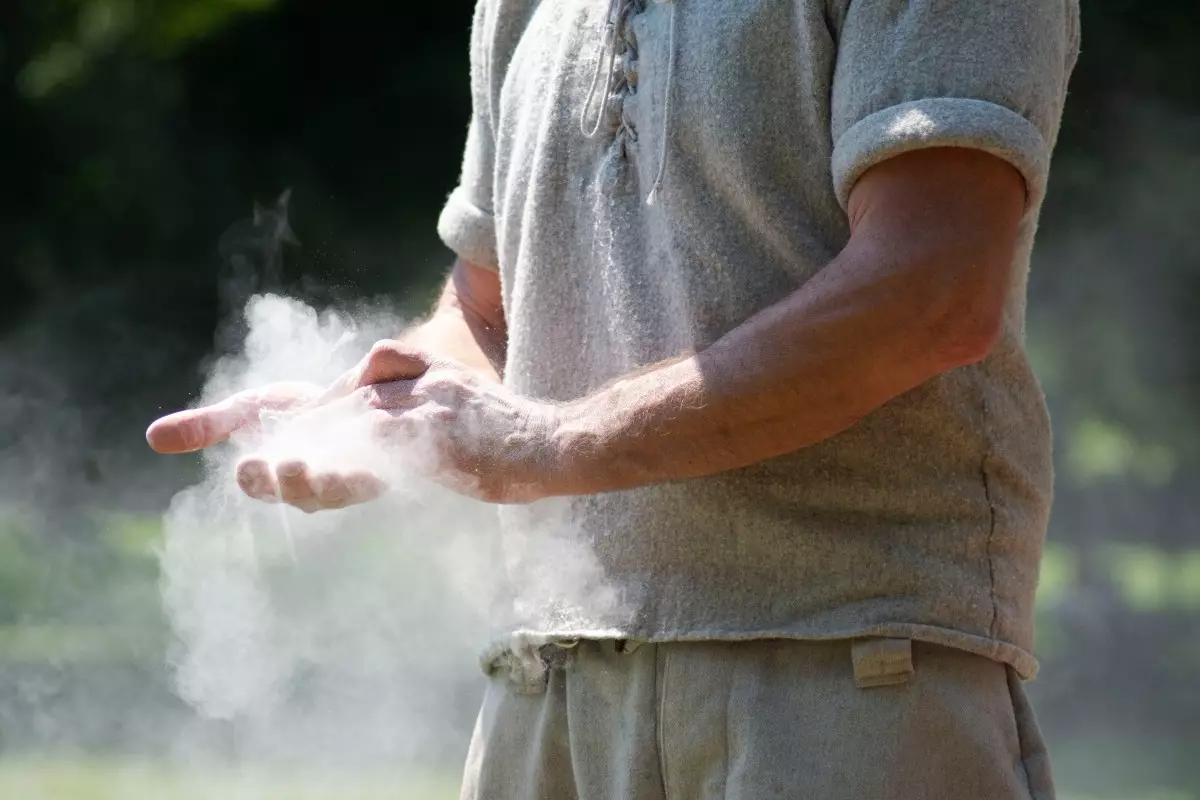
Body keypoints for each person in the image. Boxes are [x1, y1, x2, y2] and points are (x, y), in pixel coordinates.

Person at [148, 0, 1081, 796]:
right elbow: (487, 313)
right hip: (548, 684)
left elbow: (932, 292)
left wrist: (549, 445)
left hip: (847, 673)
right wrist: (387, 413)